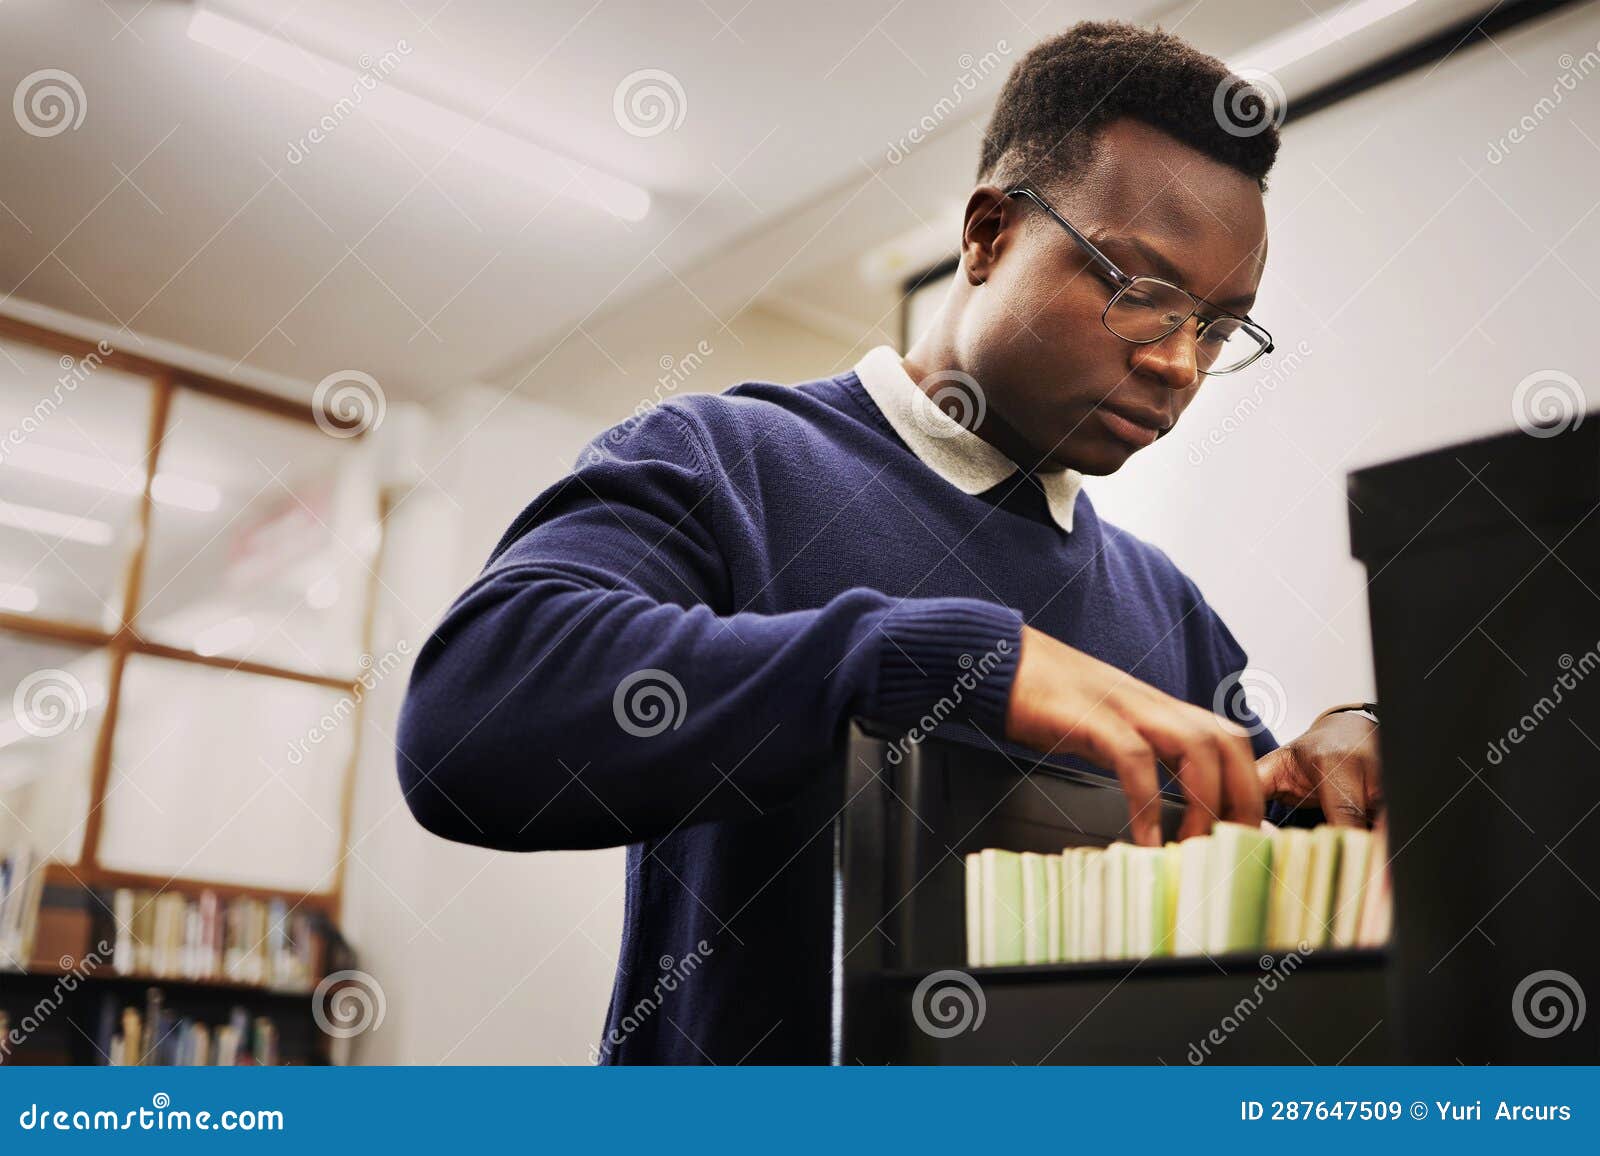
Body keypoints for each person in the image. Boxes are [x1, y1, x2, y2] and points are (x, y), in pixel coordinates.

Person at [395, 20, 1382, 1064]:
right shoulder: (727, 462)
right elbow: (466, 722)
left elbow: (1257, 884)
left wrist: (1340, 764)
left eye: (1220, 329)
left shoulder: (1164, 606)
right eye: (1140, 294)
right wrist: (938, 660)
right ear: (989, 234)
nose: (1180, 364)